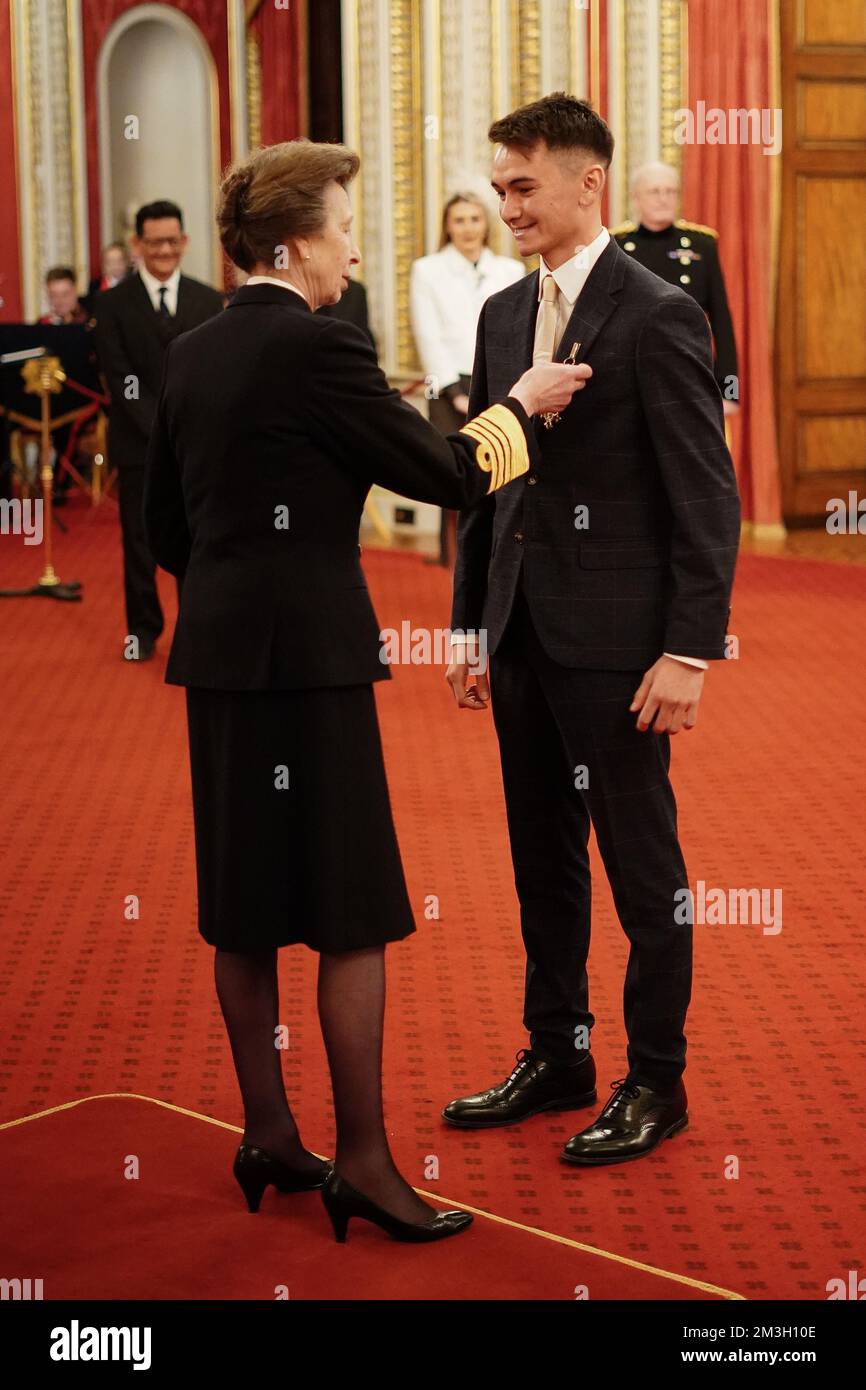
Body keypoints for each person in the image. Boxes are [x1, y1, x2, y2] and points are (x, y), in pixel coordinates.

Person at [142, 138, 589, 1243]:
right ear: (293, 241)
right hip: (313, 664)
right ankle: (363, 1162)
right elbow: (445, 470)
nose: (354, 245)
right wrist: (522, 406)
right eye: (344, 224)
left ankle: (266, 1133)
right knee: (351, 914)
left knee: (241, 912)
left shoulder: (192, 351)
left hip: (219, 659)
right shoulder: (318, 343)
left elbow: (161, 529)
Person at [444, 94, 741, 1164]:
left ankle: (655, 1079)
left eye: (523, 186)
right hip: (520, 634)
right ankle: (558, 1052)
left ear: (587, 185)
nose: (505, 204)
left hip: (620, 649)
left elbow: (705, 496)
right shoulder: (495, 316)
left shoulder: (658, 311)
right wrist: (470, 626)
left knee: (639, 868)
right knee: (541, 862)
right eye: (499, 185)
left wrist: (686, 648)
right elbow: (487, 486)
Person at [92, 201, 223, 661]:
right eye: (154, 242)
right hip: (136, 445)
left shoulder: (209, 301)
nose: (164, 250)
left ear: (184, 242)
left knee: (196, 538)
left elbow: (210, 376)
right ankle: (142, 630)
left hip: (196, 448)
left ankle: (196, 631)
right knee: (140, 539)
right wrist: (161, 431)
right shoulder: (111, 305)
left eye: (172, 241)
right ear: (137, 244)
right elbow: (120, 378)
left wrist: (188, 435)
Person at [410, 192, 524, 565]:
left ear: (486, 224)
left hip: (500, 385)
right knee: (454, 472)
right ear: (447, 226)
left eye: (474, 219)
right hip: (448, 387)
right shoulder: (427, 270)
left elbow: (515, 331)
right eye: (459, 220)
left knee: (500, 472)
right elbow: (427, 333)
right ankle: (453, 557)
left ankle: (499, 553)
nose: (468, 228)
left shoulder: (511, 270)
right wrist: (455, 391)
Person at [612, 161, 739, 412]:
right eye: (655, 191)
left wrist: (730, 392)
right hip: (634, 375)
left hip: (690, 372)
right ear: (636, 198)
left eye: (670, 191)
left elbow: (722, 322)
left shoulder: (702, 245)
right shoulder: (616, 246)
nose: (663, 199)